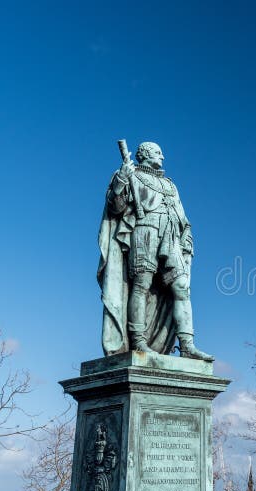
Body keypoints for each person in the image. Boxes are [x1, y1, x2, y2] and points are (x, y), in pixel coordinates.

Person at [98, 141, 213, 361]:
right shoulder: (129, 173)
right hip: (144, 230)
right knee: (141, 284)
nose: (162, 156)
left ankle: (187, 345)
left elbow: (182, 218)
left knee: (181, 288)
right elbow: (116, 208)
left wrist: (186, 236)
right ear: (144, 154)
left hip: (171, 236)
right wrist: (121, 179)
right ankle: (139, 341)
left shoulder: (170, 184)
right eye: (158, 152)